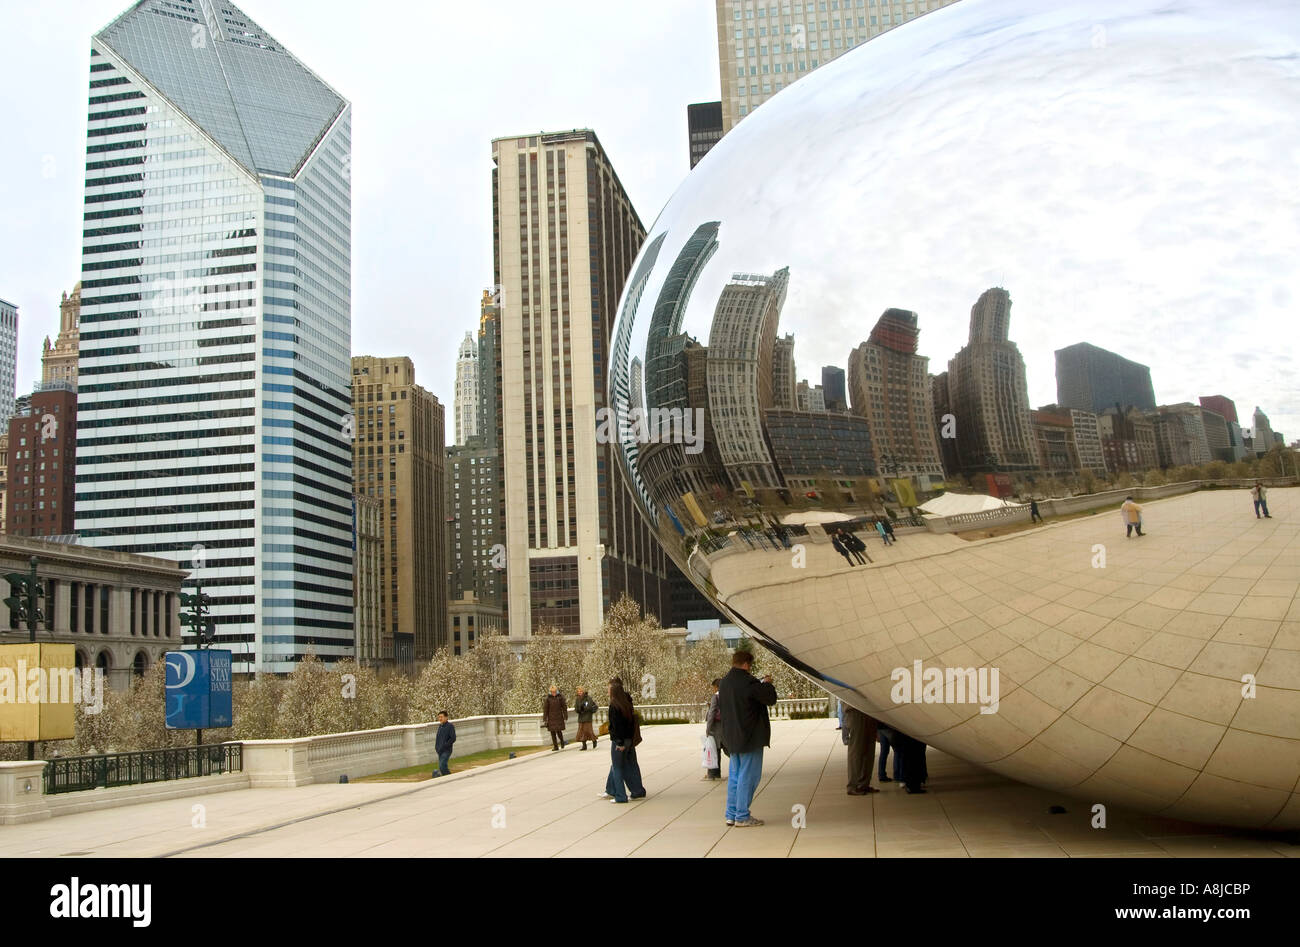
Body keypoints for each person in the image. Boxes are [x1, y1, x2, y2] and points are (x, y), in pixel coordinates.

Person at [718, 649, 778, 827]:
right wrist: (767, 684)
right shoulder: (748, 682)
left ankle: (732, 813)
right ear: (746, 664)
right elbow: (770, 698)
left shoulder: (724, 683)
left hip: (732, 737)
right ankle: (742, 815)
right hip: (750, 736)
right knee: (748, 776)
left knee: (735, 776)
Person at [601, 677, 646, 803]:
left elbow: (616, 727)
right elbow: (630, 724)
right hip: (628, 740)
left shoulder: (614, 706)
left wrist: (619, 743)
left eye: (609, 689)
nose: (607, 691)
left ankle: (620, 795)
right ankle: (632, 791)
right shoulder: (626, 703)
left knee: (617, 767)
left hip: (620, 741)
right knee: (627, 765)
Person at [844, 706, 879, 795]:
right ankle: (852, 785)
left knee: (869, 752)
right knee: (856, 751)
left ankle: (864, 784)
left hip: (869, 712)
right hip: (855, 710)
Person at [703, 678, 723, 780]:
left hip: (716, 728)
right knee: (722, 750)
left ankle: (712, 774)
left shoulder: (716, 697)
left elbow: (712, 714)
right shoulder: (727, 695)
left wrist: (708, 729)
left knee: (713, 750)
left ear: (716, 687)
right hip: (726, 727)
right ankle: (716, 773)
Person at [543, 685, 568, 750]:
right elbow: (545, 709)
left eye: (554, 691)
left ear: (556, 691)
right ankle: (555, 746)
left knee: (559, 731)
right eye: (552, 692)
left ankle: (562, 741)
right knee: (552, 732)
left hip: (559, 716)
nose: (553, 693)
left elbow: (564, 707)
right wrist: (545, 718)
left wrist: (565, 716)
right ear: (550, 692)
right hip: (551, 717)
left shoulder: (560, 697)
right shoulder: (548, 698)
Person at [434, 710, 455, 777]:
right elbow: (438, 738)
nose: (440, 719)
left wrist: (445, 746)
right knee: (442, 767)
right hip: (440, 750)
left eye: (441, 717)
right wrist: (437, 747)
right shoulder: (440, 727)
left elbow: (453, 738)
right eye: (439, 717)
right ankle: (446, 778)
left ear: (446, 717)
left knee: (442, 765)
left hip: (446, 750)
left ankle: (449, 778)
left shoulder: (450, 726)